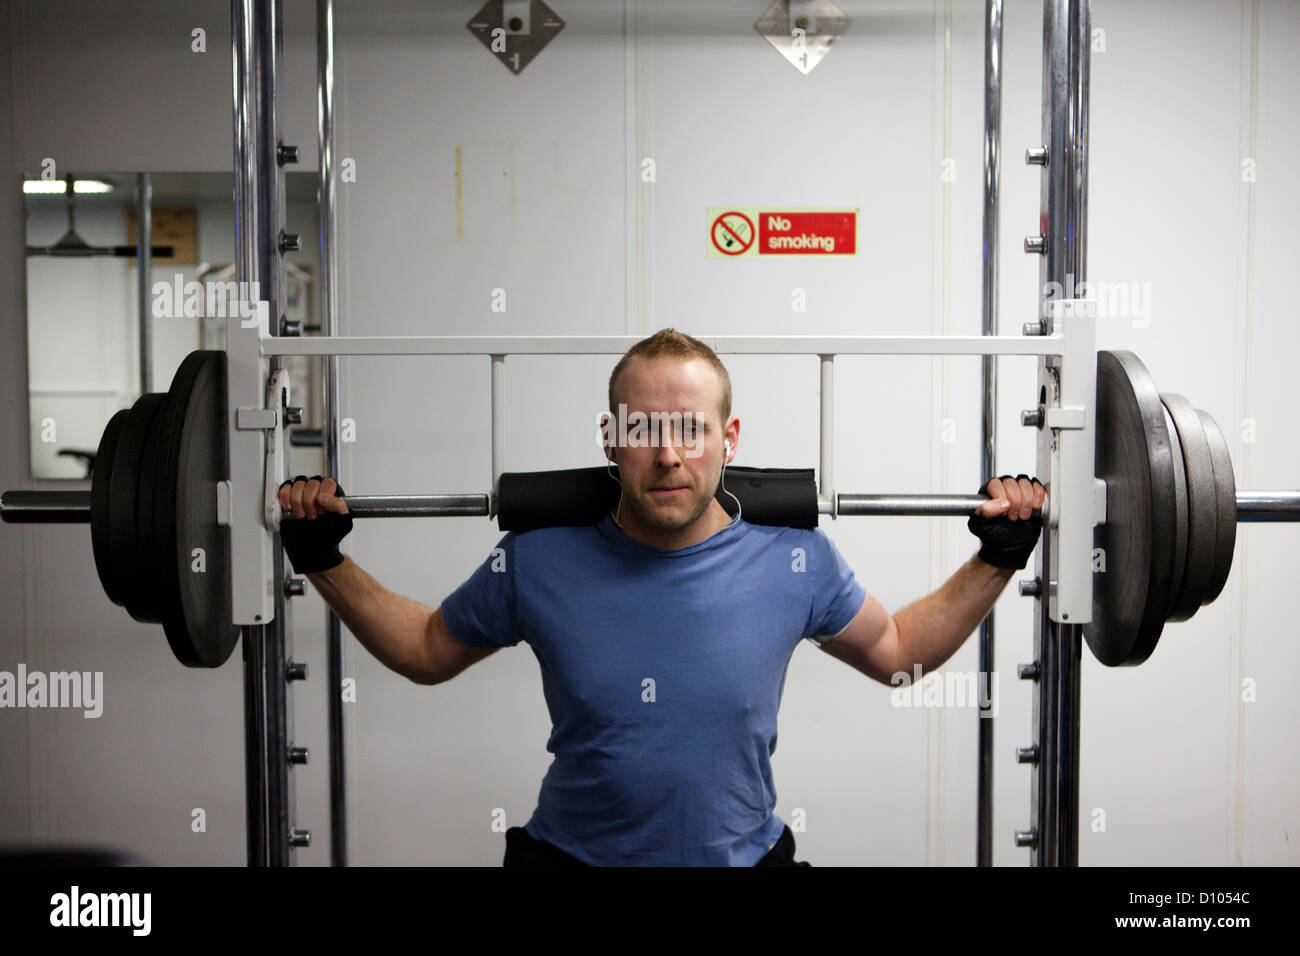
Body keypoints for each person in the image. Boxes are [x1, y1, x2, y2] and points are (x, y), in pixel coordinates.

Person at [278, 328, 1045, 867]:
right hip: (571, 861)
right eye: (645, 429)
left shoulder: (795, 561)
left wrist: (998, 557)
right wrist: (321, 558)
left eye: (689, 428)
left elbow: (901, 655)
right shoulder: (538, 560)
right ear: (611, 438)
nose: (669, 454)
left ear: (728, 438)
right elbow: (425, 650)